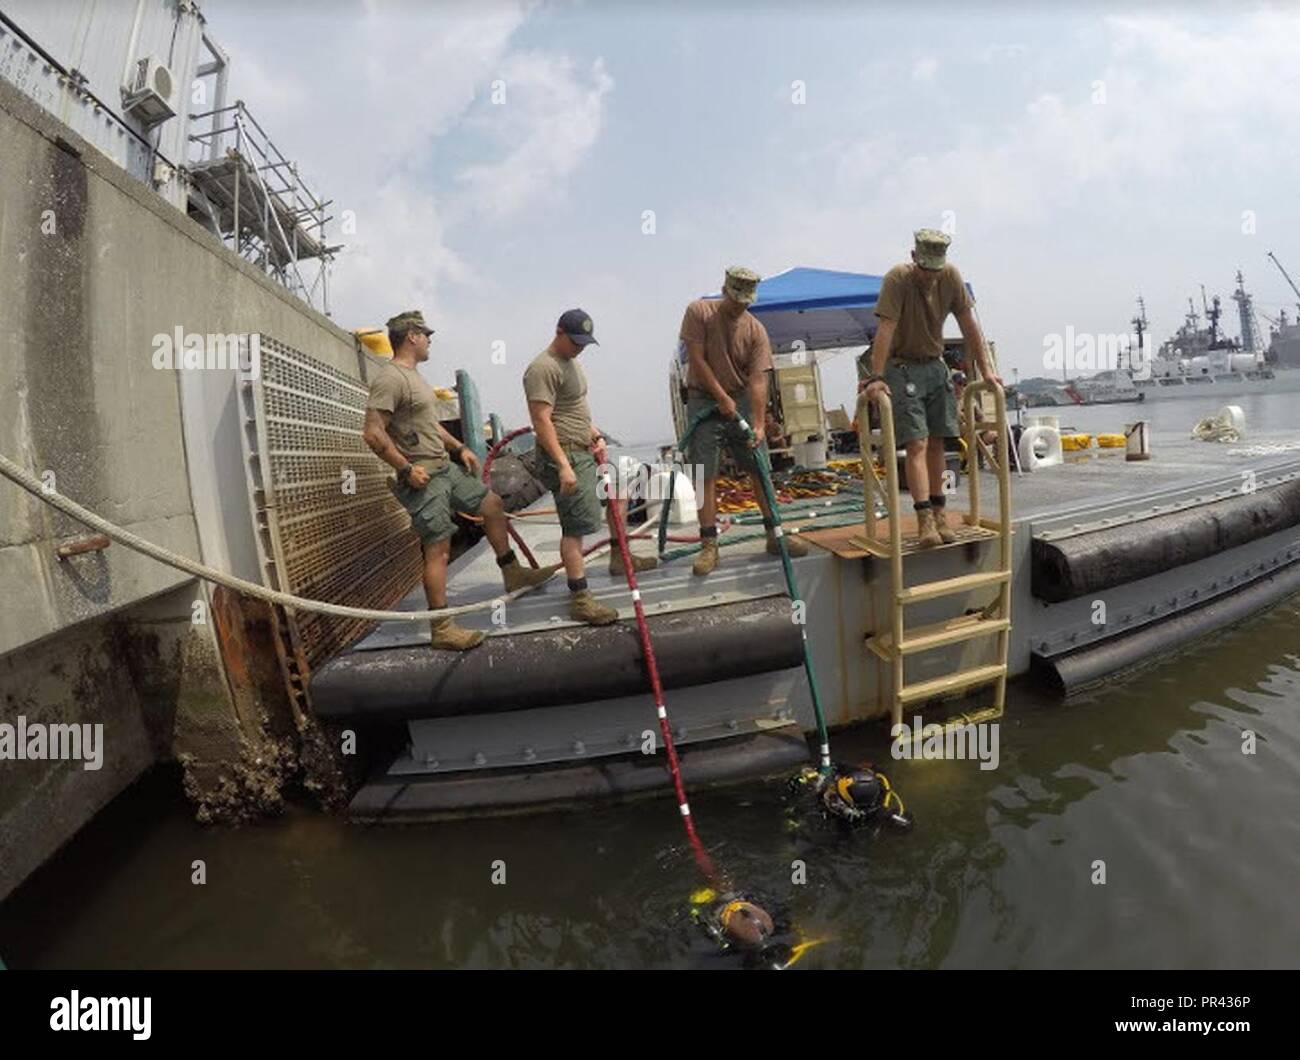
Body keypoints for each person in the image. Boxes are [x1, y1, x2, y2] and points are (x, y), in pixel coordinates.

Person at [362, 310, 557, 652]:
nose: (429, 341)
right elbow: (373, 433)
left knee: (492, 505)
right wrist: (406, 469)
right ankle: (442, 627)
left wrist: (460, 447)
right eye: (426, 335)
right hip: (422, 475)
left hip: (443, 467)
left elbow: (430, 424)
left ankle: (511, 572)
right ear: (411, 336)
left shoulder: (415, 378)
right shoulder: (390, 379)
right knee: (438, 550)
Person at [858, 230, 1002, 547]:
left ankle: (940, 513)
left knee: (940, 442)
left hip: (935, 366)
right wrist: (877, 376)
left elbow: (970, 327)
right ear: (914, 258)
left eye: (935, 269)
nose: (930, 275)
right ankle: (924, 521)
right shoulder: (897, 279)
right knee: (917, 444)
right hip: (902, 366)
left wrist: (988, 369)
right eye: (925, 268)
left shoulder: (950, 277)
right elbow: (885, 328)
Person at [524, 309, 657, 626]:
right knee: (576, 527)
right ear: (558, 332)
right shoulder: (542, 368)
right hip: (566, 456)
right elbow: (541, 421)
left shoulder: (573, 364)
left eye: (584, 343)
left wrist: (594, 434)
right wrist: (563, 466)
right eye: (575, 342)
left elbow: (575, 409)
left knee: (621, 494)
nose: (580, 348)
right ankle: (580, 598)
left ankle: (618, 557)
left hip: (584, 450)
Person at [680, 266, 810, 576]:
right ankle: (709, 545)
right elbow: (696, 359)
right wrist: (719, 396)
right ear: (725, 290)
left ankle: (773, 535)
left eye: (745, 302)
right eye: (735, 298)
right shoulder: (699, 312)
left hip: (739, 397)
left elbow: (757, 381)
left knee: (759, 467)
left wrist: (760, 424)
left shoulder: (756, 331)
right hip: (703, 396)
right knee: (704, 474)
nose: (739, 306)